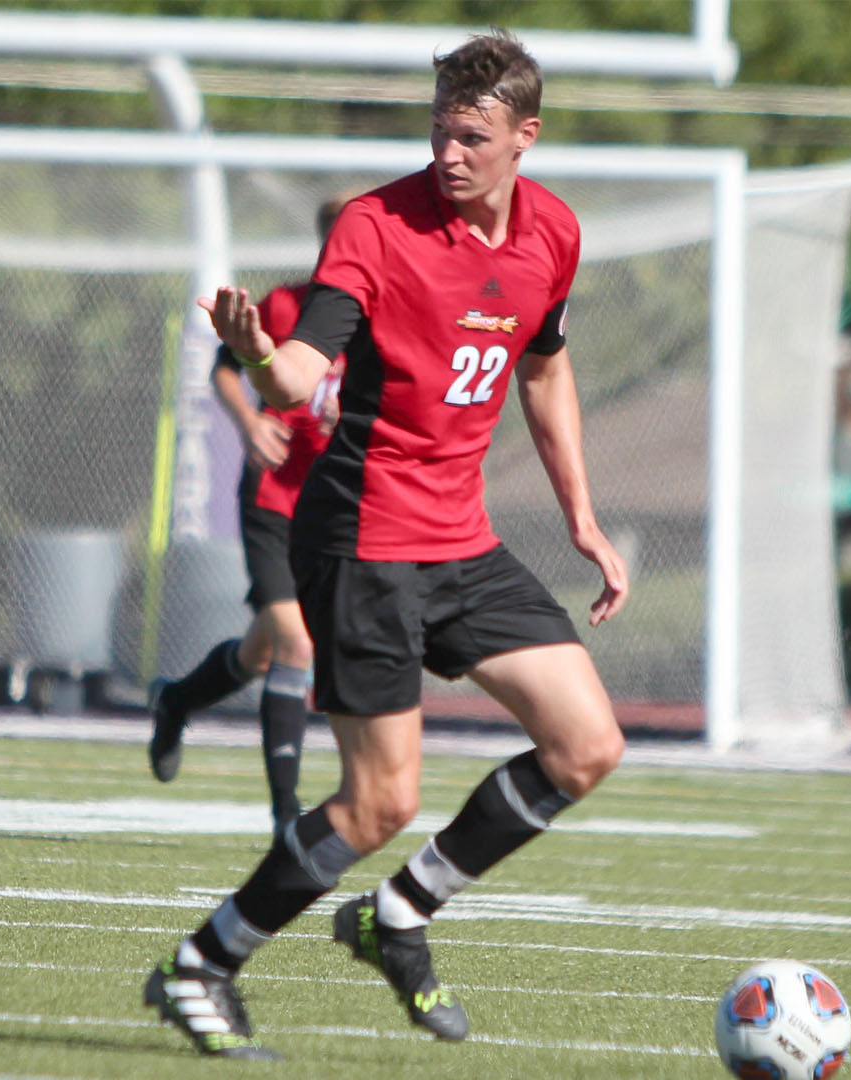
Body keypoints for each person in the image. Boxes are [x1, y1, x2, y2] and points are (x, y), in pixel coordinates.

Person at [143, 30, 629, 1060]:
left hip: (461, 539)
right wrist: (258, 350)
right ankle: (202, 963)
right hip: (362, 536)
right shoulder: (373, 226)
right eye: (439, 131)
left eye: (472, 136)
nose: (448, 154)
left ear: (523, 139)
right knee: (379, 802)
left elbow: (544, 368)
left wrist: (581, 516)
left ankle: (399, 916)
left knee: (587, 745)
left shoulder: (554, 235)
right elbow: (295, 375)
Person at [146, 193, 352, 840]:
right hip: (272, 501)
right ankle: (286, 818)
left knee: (262, 651)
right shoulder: (288, 306)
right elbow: (226, 370)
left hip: (334, 507)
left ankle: (177, 699)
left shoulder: (377, 319)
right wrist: (249, 429)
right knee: (296, 644)